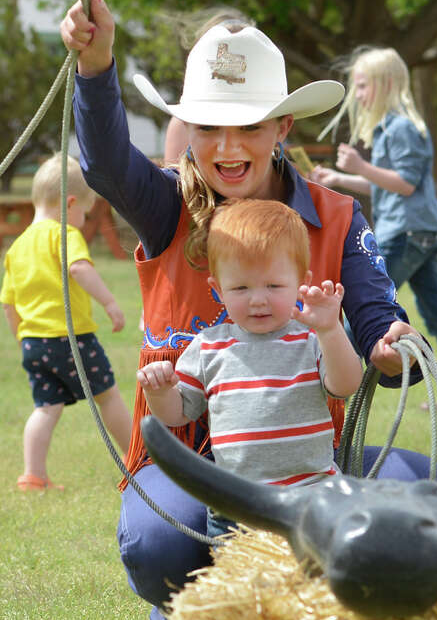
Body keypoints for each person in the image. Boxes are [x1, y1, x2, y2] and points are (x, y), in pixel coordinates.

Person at [60, 0, 437, 620]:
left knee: (428, 495)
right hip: (183, 458)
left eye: (250, 126)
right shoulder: (165, 206)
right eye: (208, 127)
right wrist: (96, 69)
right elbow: (103, 163)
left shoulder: (339, 216)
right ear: (188, 131)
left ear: (282, 128)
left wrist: (390, 343)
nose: (228, 147)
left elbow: (377, 312)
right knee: (162, 547)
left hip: (308, 457)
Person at [137, 199, 362, 538]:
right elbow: (177, 414)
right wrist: (159, 392)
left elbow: (345, 384)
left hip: (315, 496)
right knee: (243, 586)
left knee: (315, 577)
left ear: (302, 281)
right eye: (241, 288)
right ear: (218, 290)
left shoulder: (309, 339)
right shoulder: (209, 347)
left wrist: (331, 330)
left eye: (274, 286)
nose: (258, 299)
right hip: (237, 503)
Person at [311, 47, 437, 391]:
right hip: (418, 230)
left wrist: (360, 166)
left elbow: (406, 184)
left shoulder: (401, 128)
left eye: (364, 86)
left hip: (408, 231)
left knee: (365, 308)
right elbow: (384, 183)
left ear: (387, 84)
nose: (359, 95)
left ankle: (333, 382)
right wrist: (341, 179)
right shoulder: (388, 129)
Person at [0, 155, 135, 491]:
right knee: (108, 396)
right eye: (85, 212)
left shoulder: (17, 247)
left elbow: (8, 302)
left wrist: (22, 338)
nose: (83, 219)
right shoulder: (65, 234)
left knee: (46, 407)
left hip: (33, 342)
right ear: (71, 203)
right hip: (71, 339)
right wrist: (109, 302)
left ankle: (33, 475)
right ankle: (138, 459)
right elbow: (79, 269)